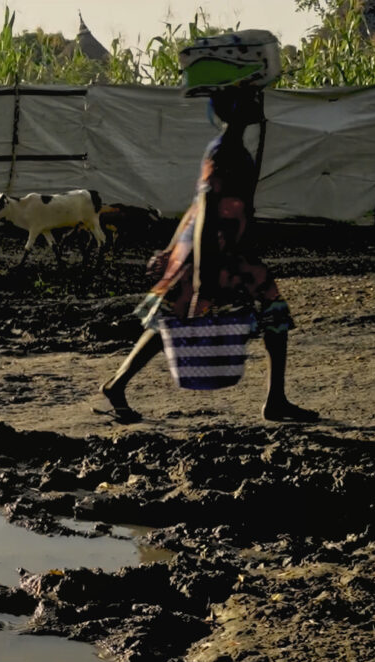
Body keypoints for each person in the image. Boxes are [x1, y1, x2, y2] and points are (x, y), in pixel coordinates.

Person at [98, 85, 317, 424]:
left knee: (266, 313)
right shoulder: (225, 152)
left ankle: (276, 399)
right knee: (175, 318)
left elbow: (197, 208)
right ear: (235, 107)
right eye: (250, 98)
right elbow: (207, 212)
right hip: (212, 252)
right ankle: (116, 384)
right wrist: (201, 276)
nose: (258, 102)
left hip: (228, 249)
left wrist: (176, 249)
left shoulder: (235, 150)